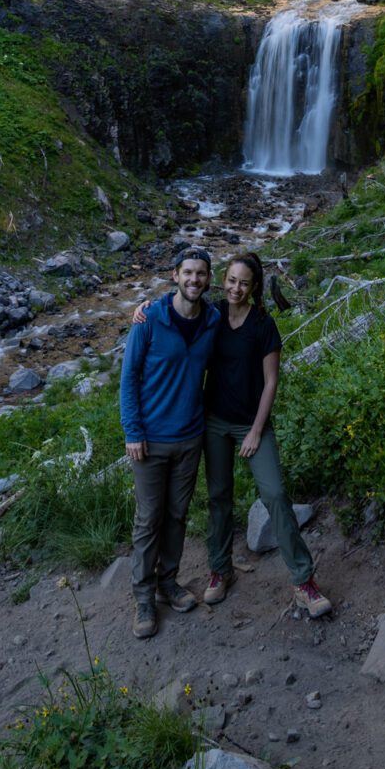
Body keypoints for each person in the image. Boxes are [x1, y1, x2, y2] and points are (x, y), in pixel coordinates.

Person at [135, 250, 332, 619]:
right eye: (231, 281)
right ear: (221, 281)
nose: (236, 288)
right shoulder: (212, 315)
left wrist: (256, 431)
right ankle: (219, 569)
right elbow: (179, 305)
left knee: (274, 494)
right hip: (213, 422)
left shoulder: (263, 324)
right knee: (218, 496)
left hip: (250, 423)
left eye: (244, 283)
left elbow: (271, 381)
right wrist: (144, 307)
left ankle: (303, 581)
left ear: (254, 287)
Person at [119, 247, 221, 639]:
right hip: (150, 439)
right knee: (149, 519)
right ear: (175, 275)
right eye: (188, 272)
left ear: (208, 279)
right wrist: (133, 431)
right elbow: (129, 379)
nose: (194, 279)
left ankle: (168, 582)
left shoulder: (212, 320)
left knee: (177, 515)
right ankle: (143, 597)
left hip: (190, 436)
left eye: (201, 273)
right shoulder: (149, 319)